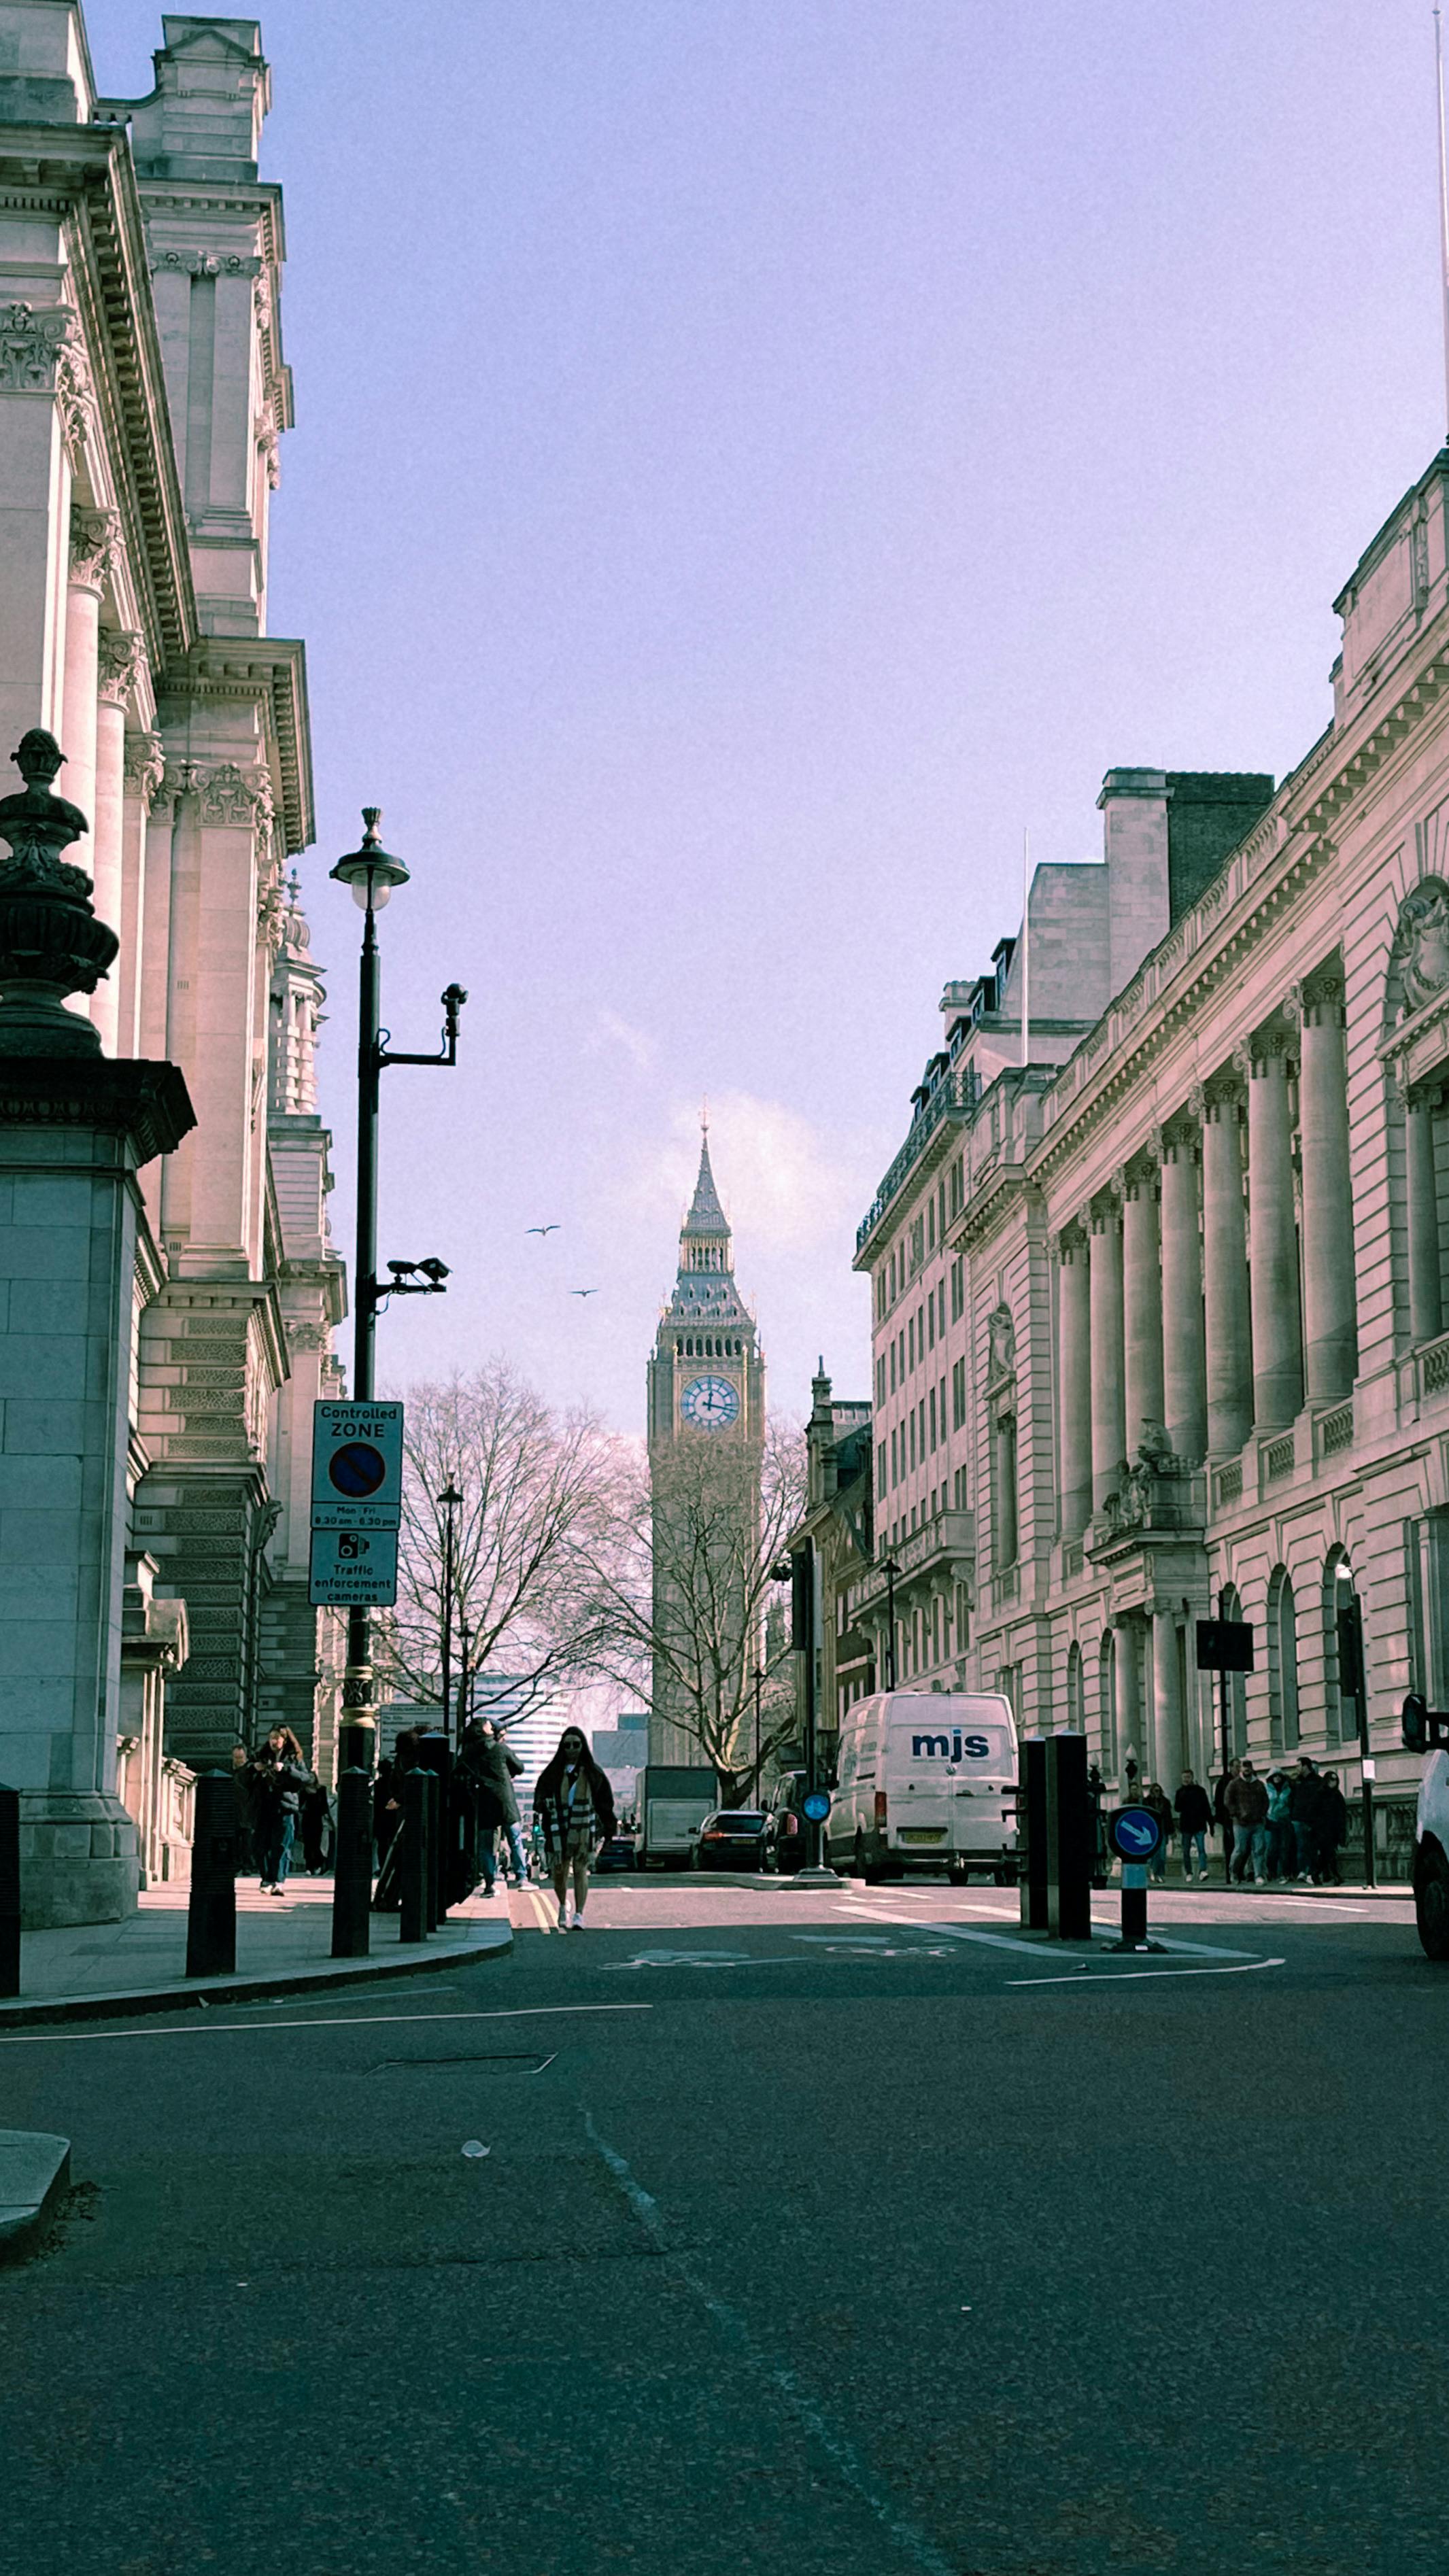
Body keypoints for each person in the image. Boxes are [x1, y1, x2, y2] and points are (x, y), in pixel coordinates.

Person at [534, 1725, 615, 1931]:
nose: (572, 1749)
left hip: (584, 1828)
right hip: (558, 1827)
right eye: (567, 1745)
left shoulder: (594, 1773)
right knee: (559, 1872)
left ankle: (579, 1915)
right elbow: (539, 1797)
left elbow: (605, 1803)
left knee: (580, 1870)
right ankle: (563, 1906)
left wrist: (609, 1828)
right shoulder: (552, 1772)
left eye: (576, 1745)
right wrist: (543, 1805)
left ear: (583, 1746)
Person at [458, 1717, 527, 1895]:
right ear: (484, 1730)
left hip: (484, 1802)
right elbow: (519, 1767)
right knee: (515, 1840)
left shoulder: (469, 1753)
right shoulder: (500, 1748)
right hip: (505, 1801)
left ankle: (490, 1884)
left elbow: (459, 1771)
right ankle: (521, 1878)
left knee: (486, 1847)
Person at [247, 1726, 313, 1895]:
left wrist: (285, 1769)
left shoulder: (293, 1758)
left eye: (277, 1737)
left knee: (282, 1845)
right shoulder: (261, 1756)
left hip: (285, 1806)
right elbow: (244, 1778)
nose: (273, 1741)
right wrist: (254, 1768)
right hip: (264, 1806)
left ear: (285, 1740)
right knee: (259, 1846)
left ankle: (278, 1881)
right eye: (271, 1737)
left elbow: (306, 1778)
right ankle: (266, 1878)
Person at [1225, 1757, 1269, 1885]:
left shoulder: (1259, 1784)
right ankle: (1233, 1872)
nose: (1247, 1770)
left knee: (1259, 1850)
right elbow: (1228, 1801)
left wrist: (1262, 1814)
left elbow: (1265, 1801)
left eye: (1249, 1767)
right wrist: (1236, 1814)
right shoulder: (1234, 1784)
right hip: (1241, 1823)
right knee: (1240, 1850)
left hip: (1257, 1822)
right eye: (1244, 1767)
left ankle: (1258, 1876)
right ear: (1241, 1769)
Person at [1289, 1756, 1325, 1883]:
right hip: (1298, 1817)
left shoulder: (1317, 1781)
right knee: (1301, 1846)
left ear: (1305, 1766)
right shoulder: (1297, 1781)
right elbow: (1292, 1798)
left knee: (1312, 1847)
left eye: (1298, 1766)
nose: (1296, 1768)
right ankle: (1302, 1871)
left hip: (1313, 1819)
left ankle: (1311, 1872)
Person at [1173, 1769, 1212, 1884]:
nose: (1186, 1779)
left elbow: (1206, 1807)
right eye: (1184, 1777)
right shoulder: (1180, 1792)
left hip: (1199, 1824)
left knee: (1201, 1849)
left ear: (1192, 1778)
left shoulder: (1200, 1791)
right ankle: (1189, 1872)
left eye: (1188, 1777)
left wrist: (1210, 1822)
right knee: (1186, 1851)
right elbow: (1177, 1808)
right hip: (1186, 1825)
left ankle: (1203, 1870)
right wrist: (1183, 1795)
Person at [1317, 1768, 1348, 1885]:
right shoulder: (1321, 1794)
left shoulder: (1337, 1795)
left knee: (1326, 1855)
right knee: (1330, 1854)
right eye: (1331, 1779)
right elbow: (1314, 1812)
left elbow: (1342, 1813)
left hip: (1334, 1829)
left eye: (1335, 1780)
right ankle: (1336, 1875)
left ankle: (1318, 1874)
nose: (1333, 1782)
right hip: (1323, 1830)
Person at [1213, 1757, 1242, 1885]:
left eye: (1239, 1766)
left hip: (1240, 1818)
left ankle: (1238, 1871)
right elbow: (1219, 1801)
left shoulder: (1241, 1781)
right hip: (1228, 1819)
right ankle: (1231, 1872)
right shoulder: (1224, 1781)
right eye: (1236, 1766)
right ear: (1231, 1767)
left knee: (1240, 1846)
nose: (1239, 1769)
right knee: (1231, 1846)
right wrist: (1224, 1817)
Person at [1265, 1770, 1295, 1883]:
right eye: (1275, 1776)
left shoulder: (1287, 1790)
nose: (1277, 1778)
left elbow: (1290, 1803)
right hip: (1271, 1820)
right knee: (1272, 1848)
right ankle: (1271, 1872)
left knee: (1285, 1847)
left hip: (1284, 1820)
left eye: (1279, 1776)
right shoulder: (1267, 1789)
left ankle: (1285, 1872)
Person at [299, 1777, 333, 1874]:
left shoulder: (321, 1789)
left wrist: (327, 1817)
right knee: (307, 1844)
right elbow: (301, 1806)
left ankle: (319, 1864)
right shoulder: (303, 1791)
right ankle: (309, 1867)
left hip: (317, 1819)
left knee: (316, 1844)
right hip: (307, 1819)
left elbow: (324, 1805)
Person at [1142, 1781, 1172, 1885]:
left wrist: (1171, 1830)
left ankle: (1159, 1873)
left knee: (1162, 1854)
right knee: (1154, 1853)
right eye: (1155, 1791)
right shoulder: (1147, 1802)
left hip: (1162, 1829)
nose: (1157, 1793)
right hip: (1151, 1830)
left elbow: (1169, 1817)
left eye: (1158, 1791)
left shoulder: (1165, 1802)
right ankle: (1154, 1871)